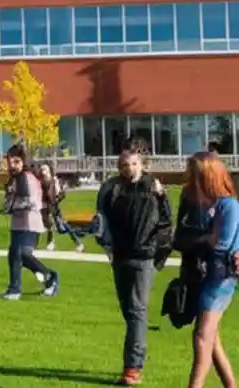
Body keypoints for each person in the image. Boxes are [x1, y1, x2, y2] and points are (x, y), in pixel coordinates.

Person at [93, 147, 170, 386]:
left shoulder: (153, 188)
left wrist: (158, 252)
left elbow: (166, 222)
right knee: (129, 311)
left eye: (134, 164)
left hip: (143, 257)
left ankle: (132, 368)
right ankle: (135, 358)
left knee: (137, 311)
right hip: (121, 256)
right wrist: (106, 246)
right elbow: (101, 220)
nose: (130, 169)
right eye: (125, 165)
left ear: (142, 164)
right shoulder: (112, 188)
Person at [187, 151, 239, 388]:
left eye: (194, 175)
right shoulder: (205, 204)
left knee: (202, 335)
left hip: (221, 277)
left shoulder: (228, 205)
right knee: (211, 338)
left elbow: (222, 242)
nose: (190, 179)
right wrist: (206, 237)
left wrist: (202, 238)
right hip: (208, 272)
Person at [1, 145, 59, 300]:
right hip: (18, 223)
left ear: (23, 162)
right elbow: (10, 199)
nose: (12, 165)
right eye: (10, 161)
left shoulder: (27, 178)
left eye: (16, 161)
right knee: (14, 255)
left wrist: (13, 206)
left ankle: (50, 276)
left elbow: (31, 202)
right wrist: (8, 204)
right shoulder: (15, 179)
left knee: (22, 255)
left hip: (30, 223)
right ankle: (14, 289)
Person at [38, 163, 84, 252]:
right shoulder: (41, 181)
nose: (43, 171)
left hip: (53, 205)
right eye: (42, 169)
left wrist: (57, 200)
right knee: (49, 225)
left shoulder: (53, 181)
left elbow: (57, 193)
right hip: (45, 205)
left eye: (45, 169)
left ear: (49, 171)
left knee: (62, 225)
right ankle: (50, 243)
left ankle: (78, 243)